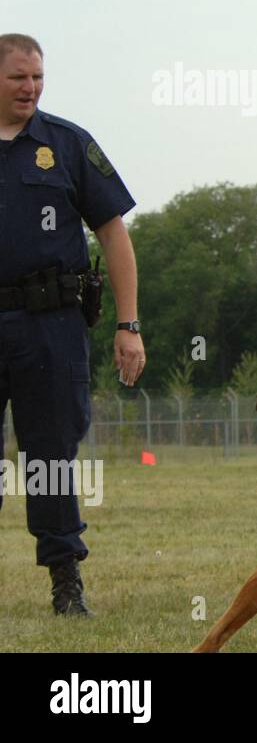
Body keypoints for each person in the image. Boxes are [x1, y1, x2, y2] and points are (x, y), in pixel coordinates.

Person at [0, 33, 145, 615]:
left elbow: (112, 232)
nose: (30, 88)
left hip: (50, 325)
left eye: (37, 77)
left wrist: (128, 324)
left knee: (52, 457)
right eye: (17, 78)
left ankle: (66, 583)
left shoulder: (66, 144)